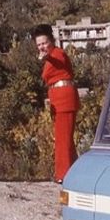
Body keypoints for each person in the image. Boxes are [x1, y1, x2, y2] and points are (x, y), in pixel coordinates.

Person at [33, 24, 79, 183]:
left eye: (44, 43)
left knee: (63, 139)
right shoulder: (49, 59)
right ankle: (75, 171)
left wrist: (46, 56)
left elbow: (56, 60)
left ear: (52, 40)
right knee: (65, 139)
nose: (42, 47)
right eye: (39, 45)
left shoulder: (58, 53)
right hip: (57, 101)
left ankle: (63, 175)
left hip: (65, 100)